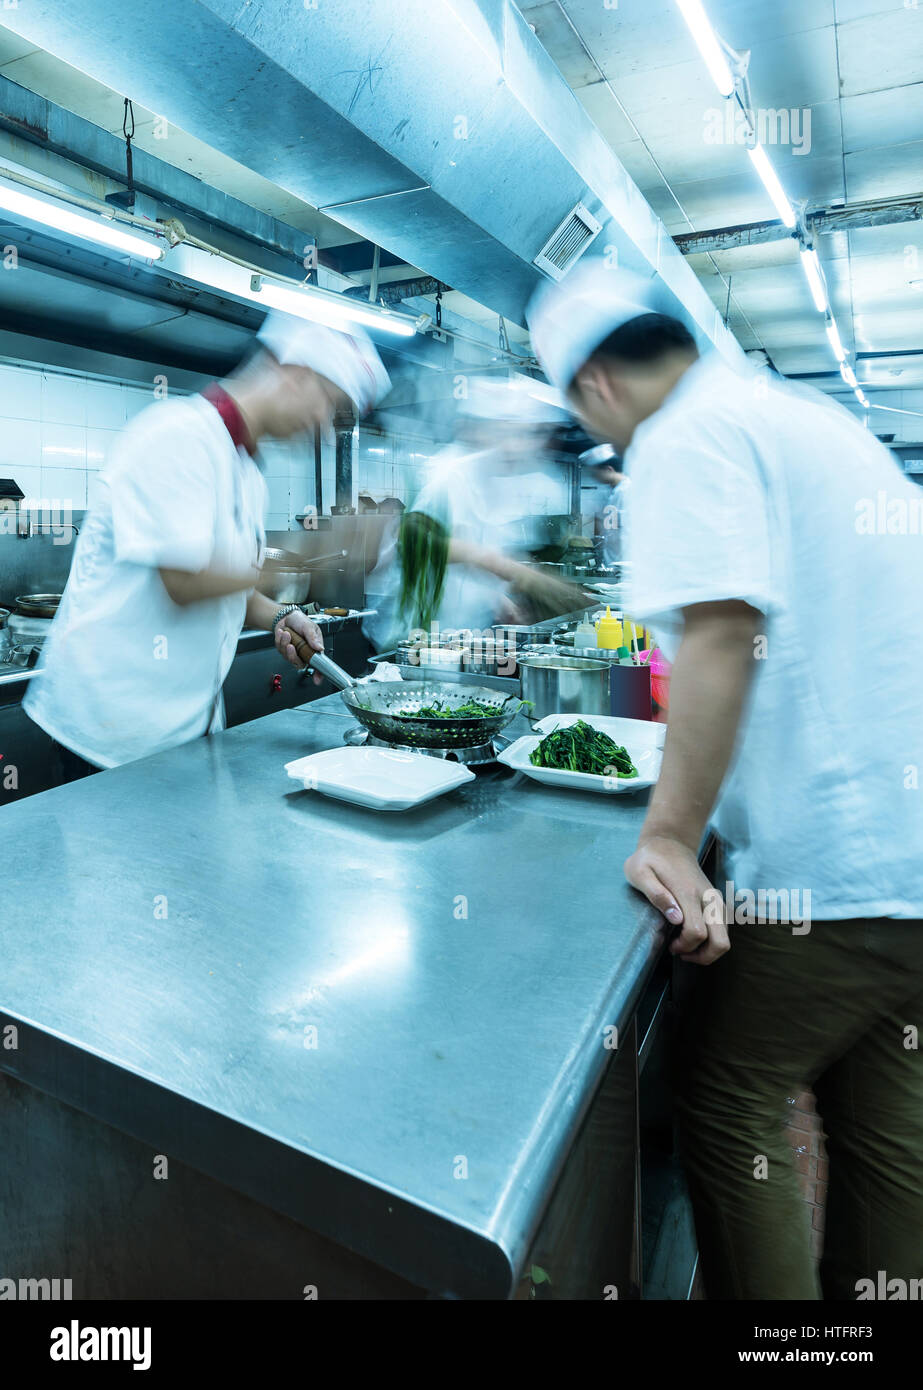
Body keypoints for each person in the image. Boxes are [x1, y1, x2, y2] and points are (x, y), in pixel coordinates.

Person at [528, 261, 923, 1300]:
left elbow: (719, 630)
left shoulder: (685, 438)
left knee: (723, 1102)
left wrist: (666, 834)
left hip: (831, 870)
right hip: (907, 869)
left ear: (596, 387)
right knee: (883, 1144)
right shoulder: (792, 419)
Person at [25, 313, 390, 774]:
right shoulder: (177, 435)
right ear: (295, 376)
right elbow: (185, 581)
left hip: (181, 732)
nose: (321, 424)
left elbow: (229, 587)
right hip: (109, 731)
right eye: (327, 403)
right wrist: (312, 562)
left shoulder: (247, 473)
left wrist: (279, 613)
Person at [364, 377, 585, 651]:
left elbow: (470, 565)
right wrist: (507, 568)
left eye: (529, 436)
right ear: (482, 430)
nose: (517, 446)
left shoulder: (501, 482)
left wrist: (498, 600)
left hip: (461, 634)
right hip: (415, 632)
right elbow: (416, 541)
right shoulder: (448, 473)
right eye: (509, 433)